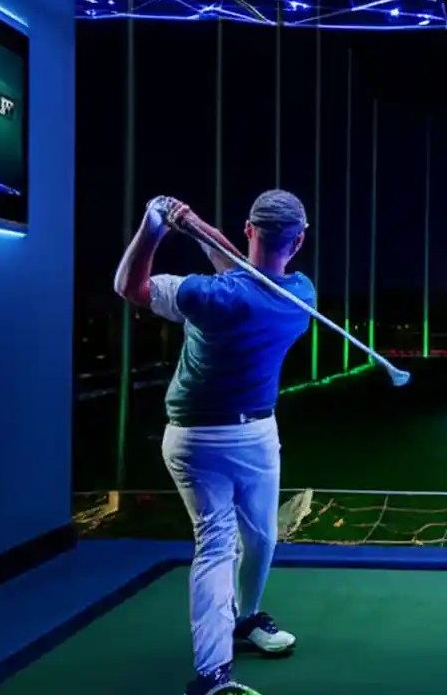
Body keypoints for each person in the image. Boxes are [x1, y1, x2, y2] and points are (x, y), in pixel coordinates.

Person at [114, 190, 315, 695]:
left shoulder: (209, 295)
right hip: (208, 438)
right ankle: (212, 675)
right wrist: (194, 226)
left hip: (232, 434)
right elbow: (245, 272)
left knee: (261, 536)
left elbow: (127, 285)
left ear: (250, 230)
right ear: (300, 241)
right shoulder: (301, 296)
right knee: (221, 546)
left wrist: (155, 229)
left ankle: (244, 619)